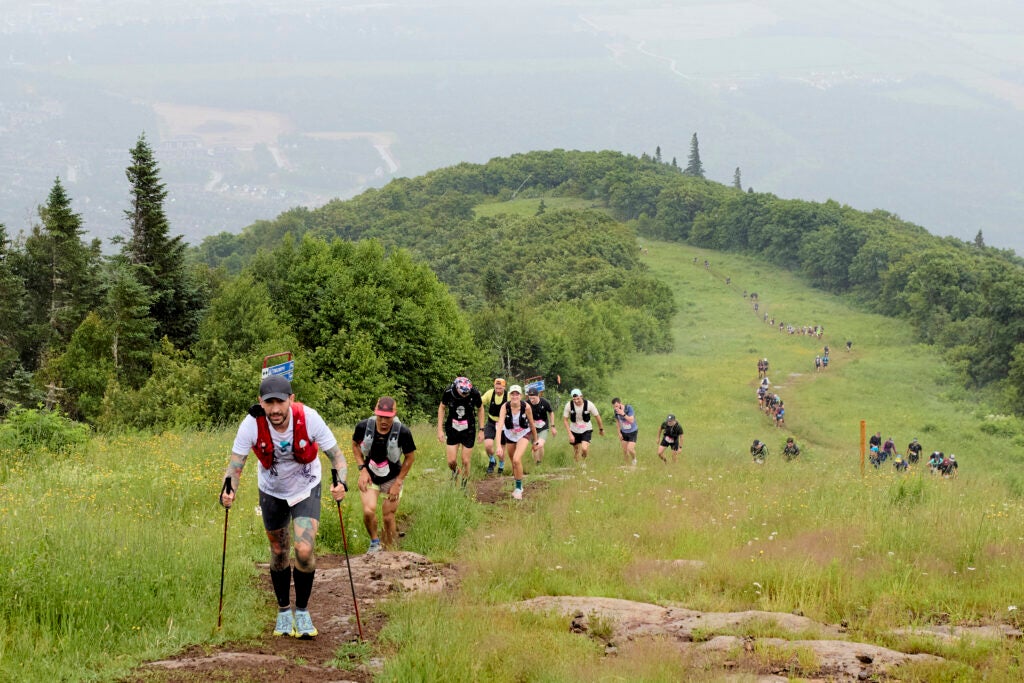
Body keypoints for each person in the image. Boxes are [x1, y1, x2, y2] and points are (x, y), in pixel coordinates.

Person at [219, 375, 348, 640]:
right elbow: (235, 465)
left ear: (291, 399)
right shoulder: (250, 425)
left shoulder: (310, 418)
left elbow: (337, 456)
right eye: (269, 403)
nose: (275, 409)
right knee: (279, 551)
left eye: (280, 402)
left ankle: (302, 611)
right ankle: (283, 611)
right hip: (272, 490)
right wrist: (228, 489)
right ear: (261, 402)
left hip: (306, 487)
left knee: (304, 549)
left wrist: (342, 483)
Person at [351, 396, 417, 554]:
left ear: (394, 415)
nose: (384, 421)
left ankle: (390, 549)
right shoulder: (363, 427)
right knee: (368, 511)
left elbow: (410, 458)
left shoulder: (403, 432)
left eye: (388, 417)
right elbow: (355, 445)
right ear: (375, 414)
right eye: (380, 416)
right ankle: (374, 543)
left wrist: (398, 482)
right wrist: (362, 470)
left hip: (393, 476)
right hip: (370, 474)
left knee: (388, 517)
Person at [437, 376, 484, 487]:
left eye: (467, 393)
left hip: (469, 429)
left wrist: (481, 429)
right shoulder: (448, 392)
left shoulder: (474, 393)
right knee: (451, 461)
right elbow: (442, 407)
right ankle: (455, 471)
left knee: (465, 461)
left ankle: (464, 485)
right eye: (463, 393)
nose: (465, 395)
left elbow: (480, 408)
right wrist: (439, 429)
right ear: (457, 389)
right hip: (452, 428)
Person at [495, 385, 539, 500]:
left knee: (516, 459)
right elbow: (499, 426)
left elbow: (532, 424)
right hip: (510, 434)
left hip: (523, 434)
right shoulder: (505, 407)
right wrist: (499, 446)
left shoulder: (526, 407)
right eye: (512, 394)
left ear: (521, 396)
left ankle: (519, 489)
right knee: (513, 463)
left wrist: (535, 441)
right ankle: (518, 484)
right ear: (509, 395)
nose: (514, 396)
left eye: (517, 394)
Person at [562, 388, 604, 464]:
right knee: (576, 451)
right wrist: (570, 434)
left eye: (578, 398)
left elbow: (597, 417)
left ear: (581, 396)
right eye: (574, 399)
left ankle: (584, 462)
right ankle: (577, 465)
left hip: (586, 429)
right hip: (574, 429)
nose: (576, 401)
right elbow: (565, 420)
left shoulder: (589, 404)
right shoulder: (569, 405)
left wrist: (601, 429)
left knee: (584, 448)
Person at [479, 378, 509, 474]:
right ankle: (492, 460)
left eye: (500, 388)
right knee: (488, 445)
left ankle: (501, 465)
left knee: (501, 451)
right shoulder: (490, 393)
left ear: (504, 387)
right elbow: (480, 402)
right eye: (496, 388)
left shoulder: (508, 396)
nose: (498, 391)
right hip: (491, 422)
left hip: (504, 424)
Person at [526, 386, 556, 465]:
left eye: (533, 398)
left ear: (538, 395)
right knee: (535, 446)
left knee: (539, 444)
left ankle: (539, 461)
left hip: (543, 427)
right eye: (530, 398)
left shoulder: (545, 402)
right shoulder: (527, 403)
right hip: (532, 428)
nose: (531, 400)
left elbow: (551, 412)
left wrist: (553, 426)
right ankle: (537, 464)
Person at [612, 397, 639, 465]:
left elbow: (631, 420)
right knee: (625, 451)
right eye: (614, 407)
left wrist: (623, 414)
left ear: (620, 403)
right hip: (624, 432)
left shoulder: (628, 408)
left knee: (630, 449)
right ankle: (627, 465)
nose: (616, 408)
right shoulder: (616, 411)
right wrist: (619, 433)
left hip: (633, 431)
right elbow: (617, 423)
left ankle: (634, 459)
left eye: (617, 406)